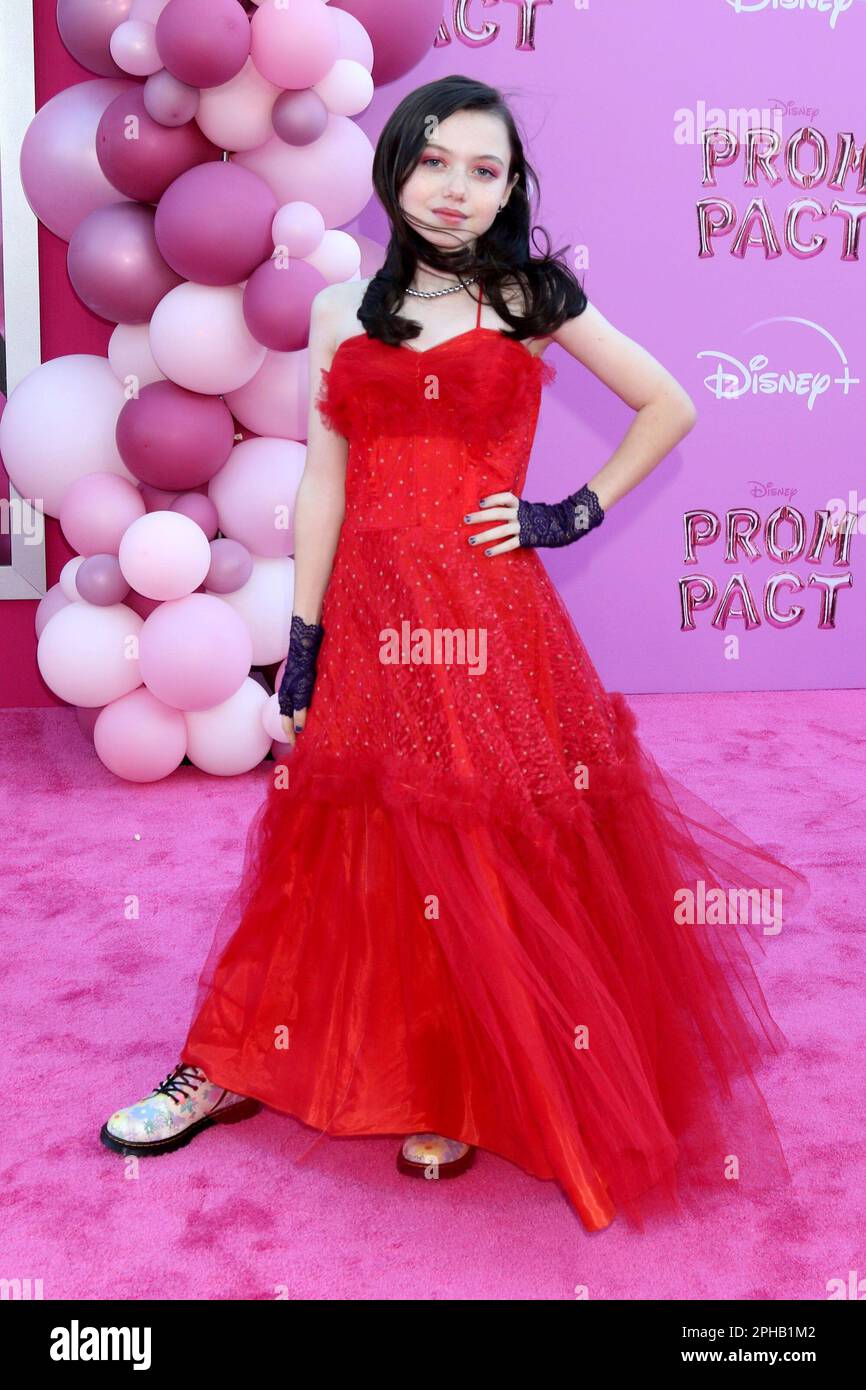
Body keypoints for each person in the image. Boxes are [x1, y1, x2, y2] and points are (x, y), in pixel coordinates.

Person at [101, 76, 809, 1232]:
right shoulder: (339, 310)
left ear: (509, 190)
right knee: (335, 840)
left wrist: (563, 513)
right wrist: (304, 642)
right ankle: (229, 1059)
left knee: (485, 843)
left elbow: (666, 403)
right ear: (393, 167)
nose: (456, 189)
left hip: (487, 622)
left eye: (486, 171)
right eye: (436, 161)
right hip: (371, 619)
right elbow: (324, 483)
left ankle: (461, 1078)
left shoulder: (527, 295)